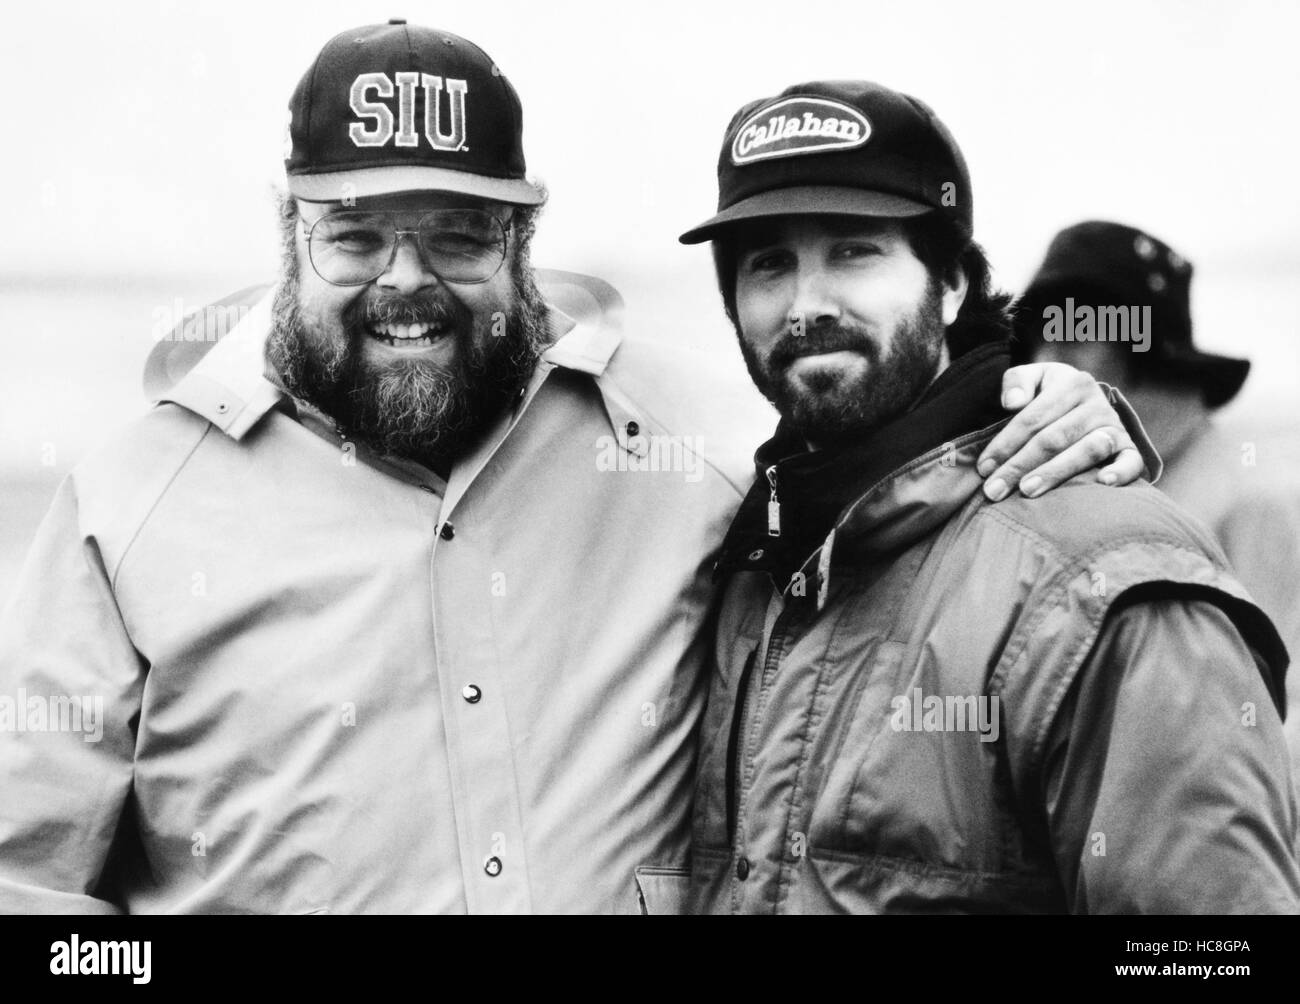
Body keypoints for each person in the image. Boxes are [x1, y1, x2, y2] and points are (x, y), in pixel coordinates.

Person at [0, 24, 1153, 915]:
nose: (407, 283)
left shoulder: (687, 444)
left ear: (523, 240)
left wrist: (1058, 411)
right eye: (353, 236)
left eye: (457, 236)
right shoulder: (127, 507)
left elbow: (888, 468)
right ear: (286, 231)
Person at [677, 80, 1300, 913]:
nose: (807, 304)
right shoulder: (745, 563)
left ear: (955, 285)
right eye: (768, 264)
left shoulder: (1108, 582)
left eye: (856, 251)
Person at [1016, 220, 1300, 776]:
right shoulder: (1083, 490)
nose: (1047, 359)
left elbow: (1278, 717)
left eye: (1073, 335)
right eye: (1039, 338)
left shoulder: (1250, 499)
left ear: (1140, 350)